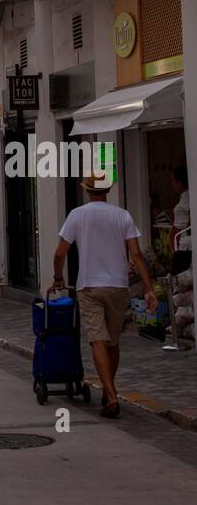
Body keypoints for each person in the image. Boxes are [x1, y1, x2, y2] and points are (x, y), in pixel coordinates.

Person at [53, 170, 157, 420]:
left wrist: (58, 278)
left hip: (89, 286)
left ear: (87, 190)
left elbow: (60, 252)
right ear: (107, 191)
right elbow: (137, 255)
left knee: (97, 340)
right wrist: (149, 289)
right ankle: (110, 390)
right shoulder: (123, 216)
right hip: (118, 286)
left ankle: (110, 395)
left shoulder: (78, 215)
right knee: (112, 342)